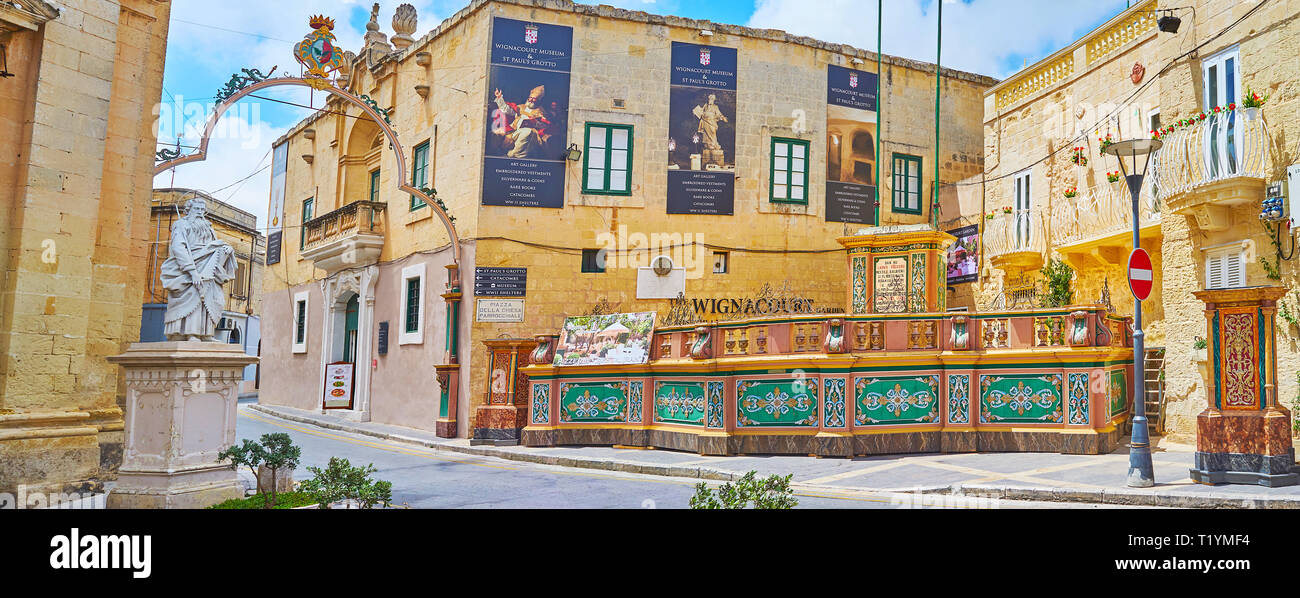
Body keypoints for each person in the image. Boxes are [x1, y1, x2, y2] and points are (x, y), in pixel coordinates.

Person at [160, 197, 237, 341]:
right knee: (193, 297)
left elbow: (213, 245)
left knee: (209, 298)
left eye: (202, 210)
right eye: (197, 209)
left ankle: (205, 333)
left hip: (209, 266)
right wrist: (192, 271)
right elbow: (178, 247)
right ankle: (190, 333)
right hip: (189, 267)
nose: (200, 212)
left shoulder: (208, 227)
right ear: (189, 210)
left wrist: (225, 248)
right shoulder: (181, 225)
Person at [493, 84, 552, 158]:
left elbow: (545, 125)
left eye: (534, 99)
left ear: (538, 100)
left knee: (527, 132)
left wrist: (534, 123)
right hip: (513, 131)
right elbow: (506, 110)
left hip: (529, 134)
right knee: (495, 132)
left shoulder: (541, 111)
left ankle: (513, 155)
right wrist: (499, 97)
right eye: (530, 98)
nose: (531, 100)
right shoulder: (521, 107)